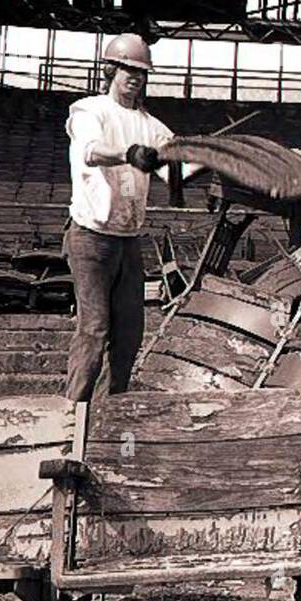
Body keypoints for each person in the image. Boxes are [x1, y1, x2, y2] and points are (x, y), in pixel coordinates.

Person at [63, 33, 174, 402]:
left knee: (129, 334)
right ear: (111, 69)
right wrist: (130, 153)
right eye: (128, 68)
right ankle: (72, 418)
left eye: (141, 71)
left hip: (129, 240)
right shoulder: (88, 110)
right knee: (94, 330)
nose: (135, 76)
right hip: (91, 237)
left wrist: (219, 160)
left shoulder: (153, 126)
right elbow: (92, 152)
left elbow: (179, 168)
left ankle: (111, 413)